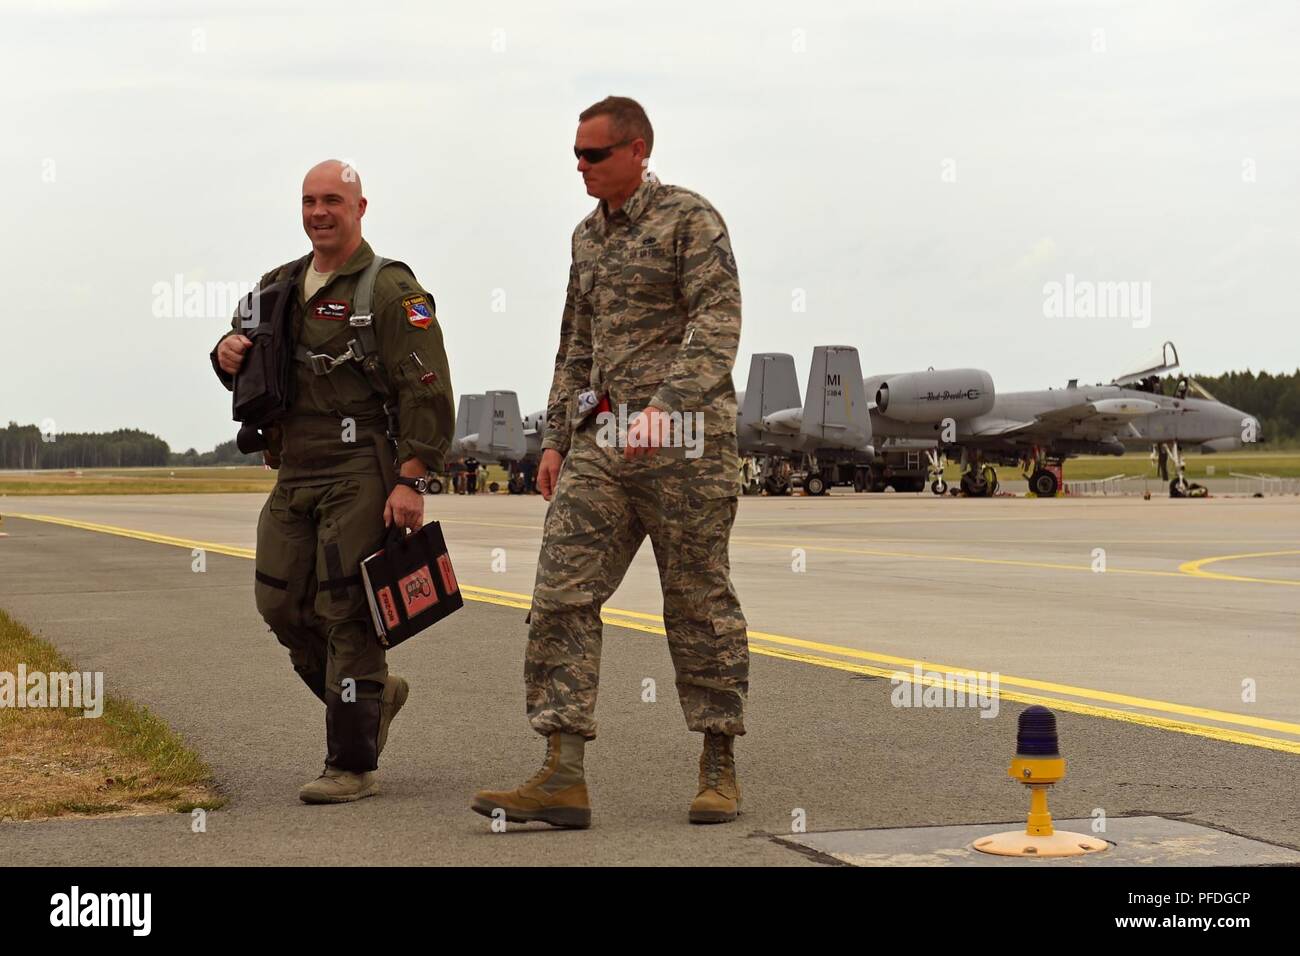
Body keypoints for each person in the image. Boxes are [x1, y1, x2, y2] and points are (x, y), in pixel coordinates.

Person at [472, 97, 749, 828]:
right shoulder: (585, 238)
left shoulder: (690, 219)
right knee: (561, 590)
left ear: (636, 151)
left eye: (593, 155)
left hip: (685, 445)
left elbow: (717, 323)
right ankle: (562, 773)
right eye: (577, 154)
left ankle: (718, 762)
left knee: (697, 601)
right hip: (604, 444)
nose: (580, 166)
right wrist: (559, 437)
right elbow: (576, 344)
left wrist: (669, 406)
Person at [212, 160, 455, 803]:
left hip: (359, 468)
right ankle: (376, 699)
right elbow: (250, 361)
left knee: (348, 613)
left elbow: (427, 388)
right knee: (279, 604)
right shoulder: (278, 286)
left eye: (332, 201)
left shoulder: (390, 289)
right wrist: (224, 354)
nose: (319, 212)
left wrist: (411, 480)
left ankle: (351, 763)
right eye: (308, 201)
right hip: (294, 469)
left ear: (360, 208)